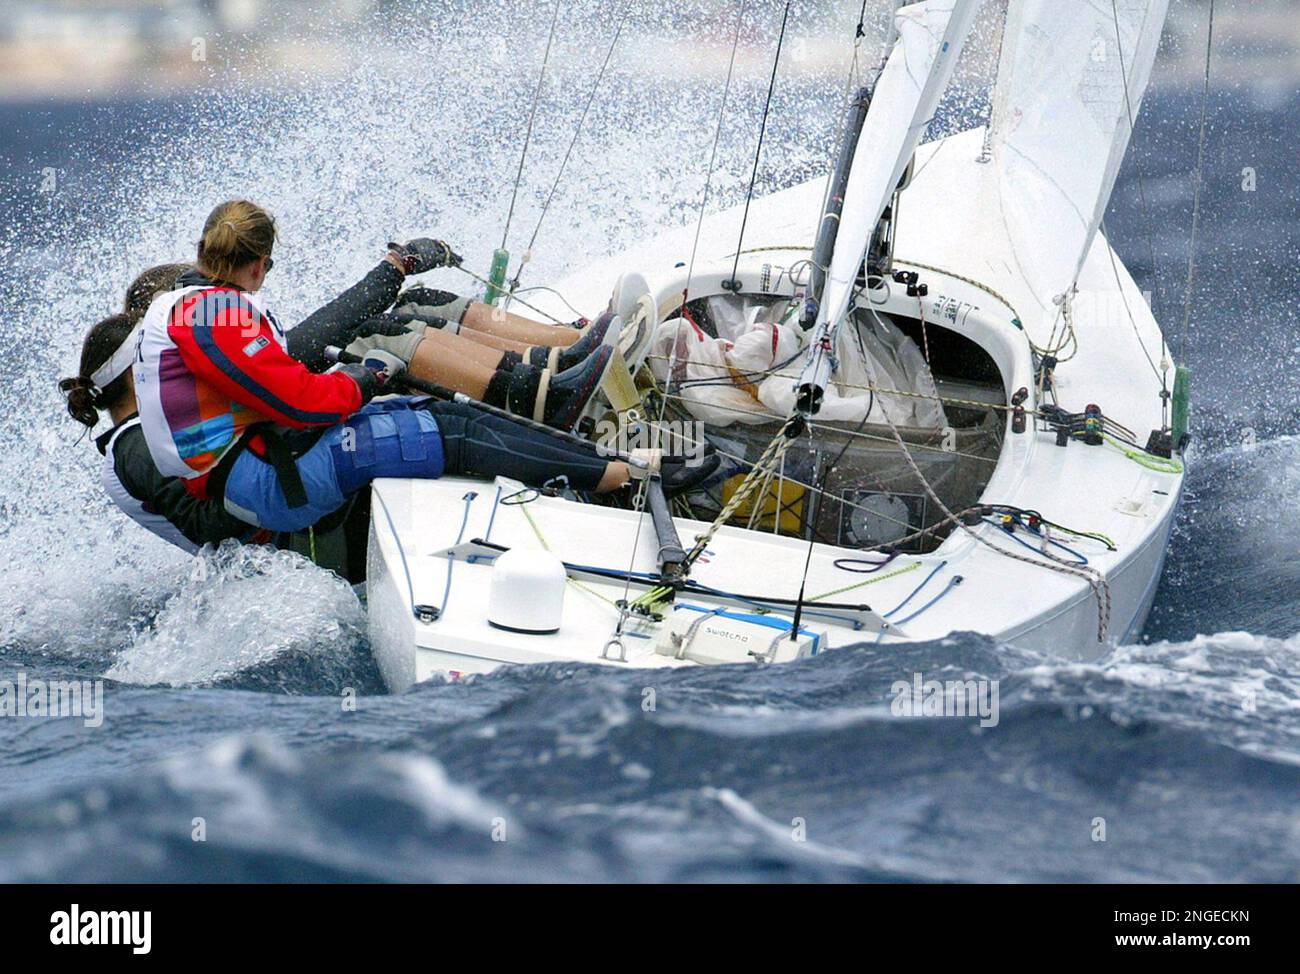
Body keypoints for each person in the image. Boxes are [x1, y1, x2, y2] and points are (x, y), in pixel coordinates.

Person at [75, 199, 716, 540]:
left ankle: (568, 351)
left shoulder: (186, 370)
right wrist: (368, 344)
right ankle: (549, 402)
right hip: (304, 525)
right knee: (394, 347)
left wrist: (393, 286)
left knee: (405, 315)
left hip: (285, 470)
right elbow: (288, 381)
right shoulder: (130, 449)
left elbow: (276, 375)